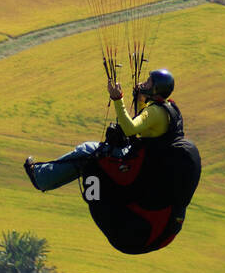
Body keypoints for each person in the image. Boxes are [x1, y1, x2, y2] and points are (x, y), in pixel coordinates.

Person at [24, 69, 201, 254]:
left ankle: (41, 177)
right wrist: (140, 100)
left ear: (156, 89)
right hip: (160, 218)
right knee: (99, 151)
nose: (144, 83)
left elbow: (131, 128)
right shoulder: (170, 109)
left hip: (135, 229)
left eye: (149, 82)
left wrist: (118, 99)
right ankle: (44, 176)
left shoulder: (155, 111)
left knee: (89, 152)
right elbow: (146, 129)